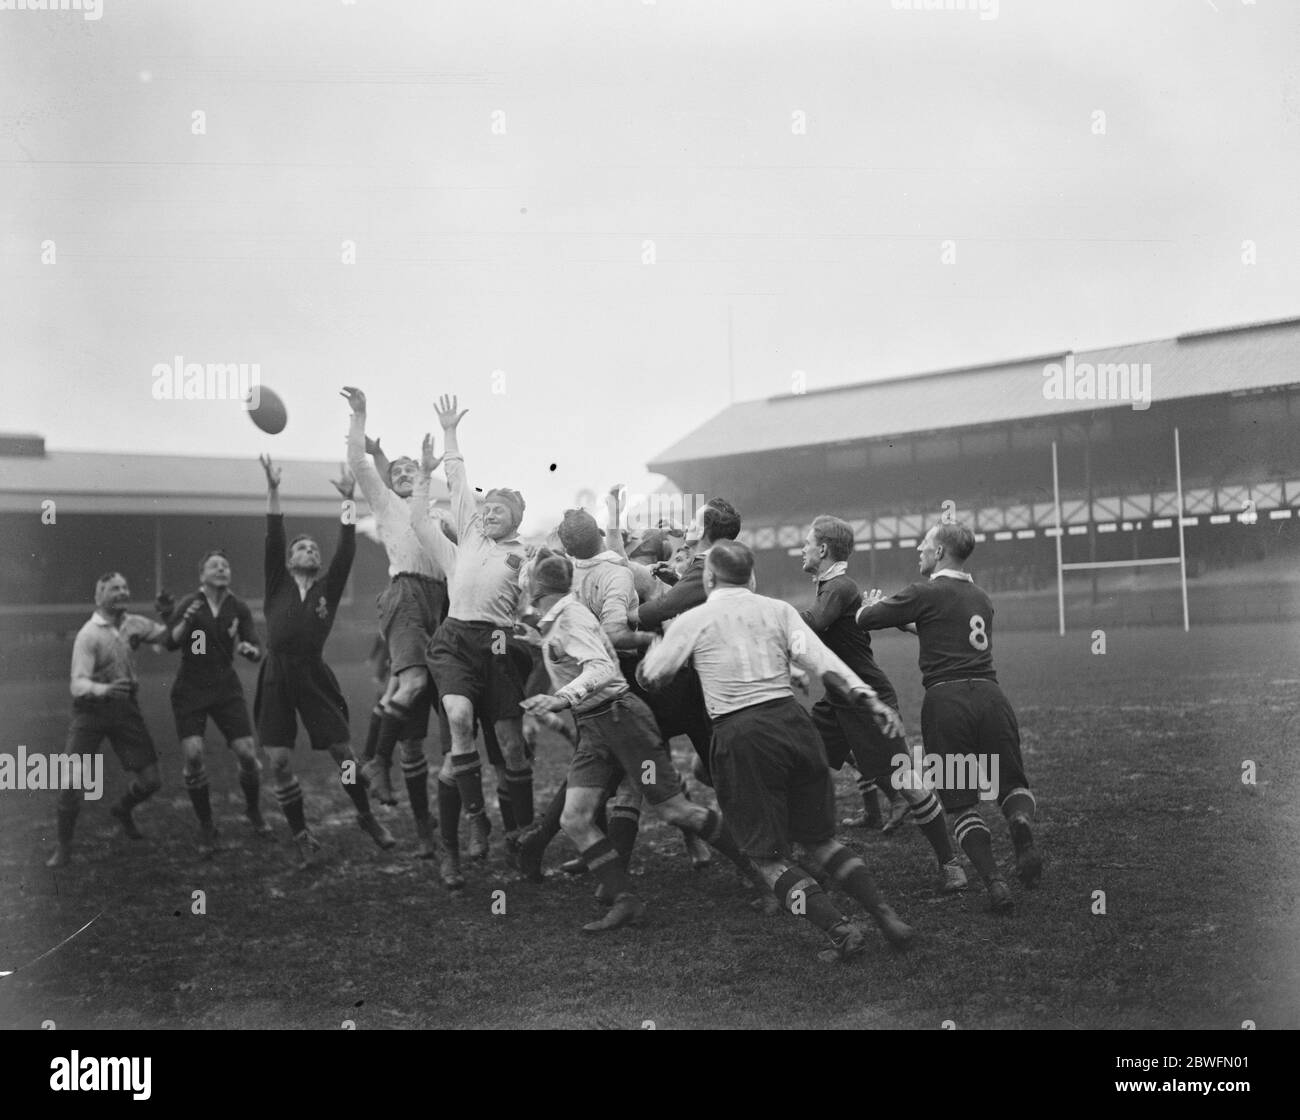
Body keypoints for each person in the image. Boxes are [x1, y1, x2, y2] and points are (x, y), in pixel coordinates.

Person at [638, 541, 916, 961]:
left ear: (709, 579)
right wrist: (870, 701)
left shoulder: (693, 619)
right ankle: (884, 914)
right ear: (751, 577)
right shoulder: (779, 610)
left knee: (766, 858)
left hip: (740, 733)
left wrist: (652, 658)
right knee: (820, 841)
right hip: (793, 723)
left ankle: (839, 930)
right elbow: (826, 665)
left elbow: (652, 678)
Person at [520, 555, 756, 932]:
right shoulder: (559, 617)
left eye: (524, 581)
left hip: (621, 719)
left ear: (536, 588)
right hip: (596, 725)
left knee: (676, 811)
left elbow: (600, 669)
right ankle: (625, 900)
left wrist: (559, 698)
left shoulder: (570, 619)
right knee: (575, 818)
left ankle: (759, 871)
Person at [855, 522, 1042, 913]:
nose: (918, 552)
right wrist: (912, 623)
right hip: (991, 696)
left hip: (946, 702)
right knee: (1010, 785)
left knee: (961, 803)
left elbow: (866, 621)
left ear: (939, 552)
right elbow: (942, 628)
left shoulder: (924, 592)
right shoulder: (981, 597)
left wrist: (868, 606)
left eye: (923, 546)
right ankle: (1020, 824)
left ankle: (995, 883)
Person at [798, 515, 966, 893]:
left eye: (807, 543)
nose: (802, 550)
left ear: (823, 549)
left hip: (868, 698)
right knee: (799, 763)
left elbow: (813, 622)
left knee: (905, 779)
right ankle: (809, 854)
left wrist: (763, 614)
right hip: (837, 699)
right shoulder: (831, 584)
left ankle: (951, 863)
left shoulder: (840, 586)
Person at [409, 398, 532, 884]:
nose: (491, 514)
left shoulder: (524, 555)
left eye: (502, 510)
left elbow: (540, 597)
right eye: (488, 508)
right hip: (456, 640)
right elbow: (456, 485)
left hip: (499, 646)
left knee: (510, 746)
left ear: (516, 521)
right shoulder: (464, 545)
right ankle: (468, 828)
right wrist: (445, 439)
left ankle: (522, 841)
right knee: (458, 718)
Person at [254, 453, 395, 868]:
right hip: (276, 674)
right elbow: (274, 534)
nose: (309, 550)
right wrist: (274, 487)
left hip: (313, 674)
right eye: (302, 547)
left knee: (343, 755)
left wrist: (348, 499)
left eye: (314, 547)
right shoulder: (276, 582)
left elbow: (346, 549)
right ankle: (301, 835)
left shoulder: (327, 589)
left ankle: (366, 817)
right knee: (278, 760)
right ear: (290, 558)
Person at [342, 385, 450, 858]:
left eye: (412, 468)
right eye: (398, 471)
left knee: (425, 727)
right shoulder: (386, 505)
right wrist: (360, 417)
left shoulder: (436, 513)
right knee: (409, 687)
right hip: (405, 595)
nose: (405, 474)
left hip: (441, 604)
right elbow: (360, 464)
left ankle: (429, 830)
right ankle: (375, 762)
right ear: (391, 481)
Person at [46, 573, 172, 868]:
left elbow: (168, 639)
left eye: (125, 587)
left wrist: (168, 613)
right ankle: (63, 847)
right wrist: (104, 689)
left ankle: (123, 809)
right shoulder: (89, 634)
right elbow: (77, 684)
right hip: (90, 711)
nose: (122, 592)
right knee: (70, 781)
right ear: (98, 596)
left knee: (152, 781)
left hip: (125, 709)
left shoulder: (135, 624)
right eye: (114, 588)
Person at [163, 549, 270, 857]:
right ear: (202, 576)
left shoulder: (238, 606)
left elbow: (254, 644)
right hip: (191, 689)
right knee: (194, 754)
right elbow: (170, 641)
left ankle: (252, 810)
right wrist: (184, 621)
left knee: (247, 753)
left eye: (226, 565)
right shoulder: (190, 603)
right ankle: (207, 824)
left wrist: (250, 649)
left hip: (225, 688)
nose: (222, 569)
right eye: (214, 565)